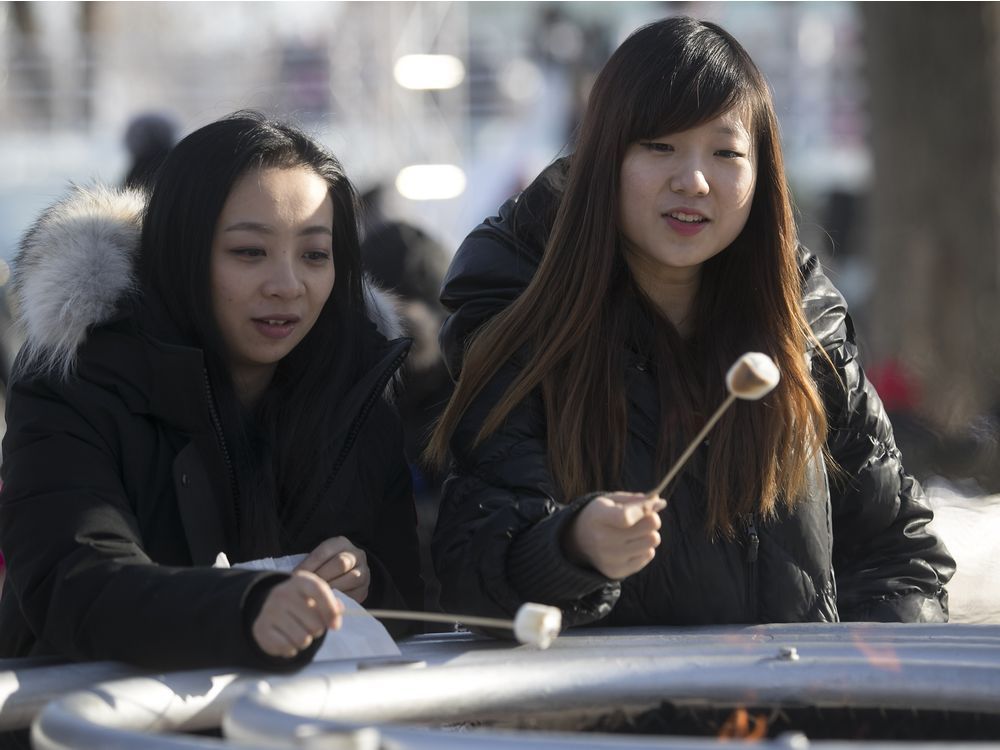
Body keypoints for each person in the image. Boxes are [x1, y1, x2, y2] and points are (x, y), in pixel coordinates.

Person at [427, 17, 954, 630]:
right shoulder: (524, 311)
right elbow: (473, 560)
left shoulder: (802, 322)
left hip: (795, 716)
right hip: (597, 718)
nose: (694, 180)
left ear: (760, 174)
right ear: (603, 155)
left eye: (726, 153)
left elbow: (897, 551)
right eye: (660, 147)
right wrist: (570, 550)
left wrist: (859, 686)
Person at [0, 112, 423, 672]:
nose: (286, 285)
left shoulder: (358, 384)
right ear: (182, 251)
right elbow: (76, 581)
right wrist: (247, 609)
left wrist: (364, 581)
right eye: (249, 252)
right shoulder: (75, 380)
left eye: (315, 255)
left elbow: (416, 606)